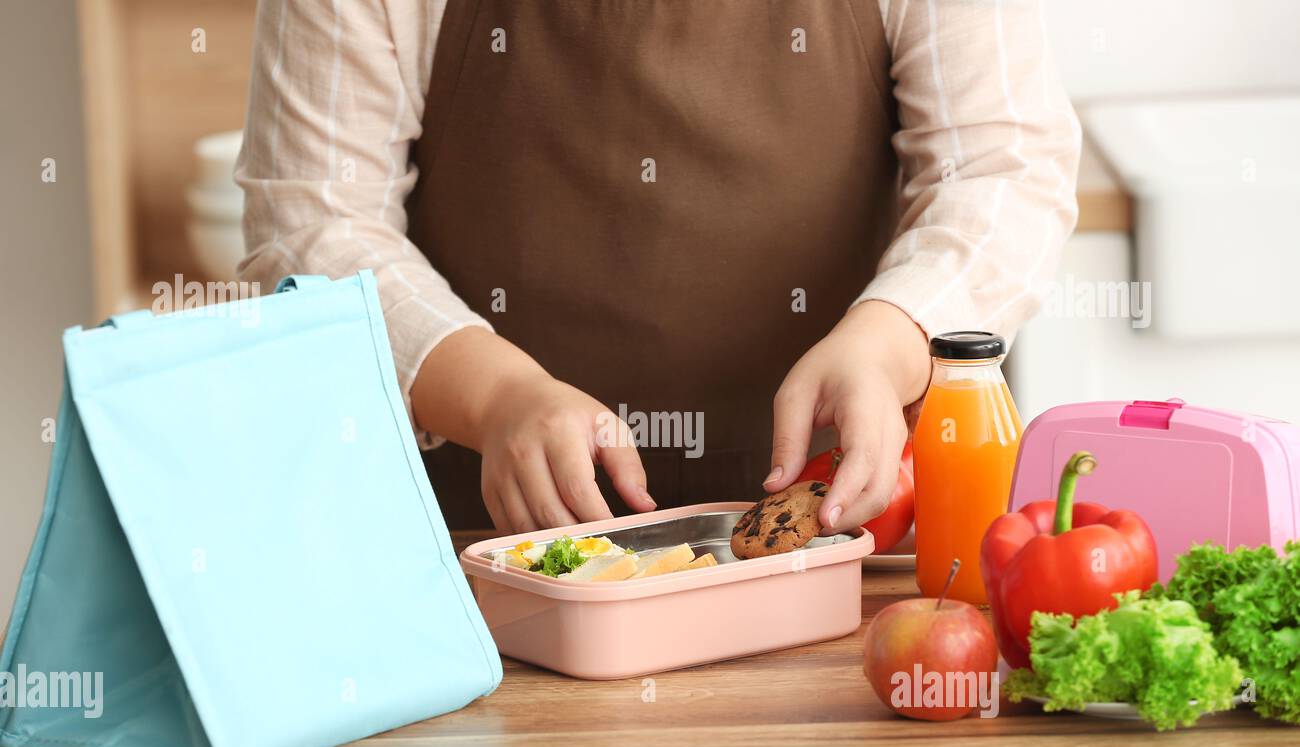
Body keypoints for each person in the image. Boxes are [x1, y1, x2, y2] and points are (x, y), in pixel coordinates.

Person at [237, 0, 1080, 534]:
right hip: (474, 555)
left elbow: (1001, 174)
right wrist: (495, 397)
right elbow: (312, 220)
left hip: (850, 544)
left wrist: (888, 343)